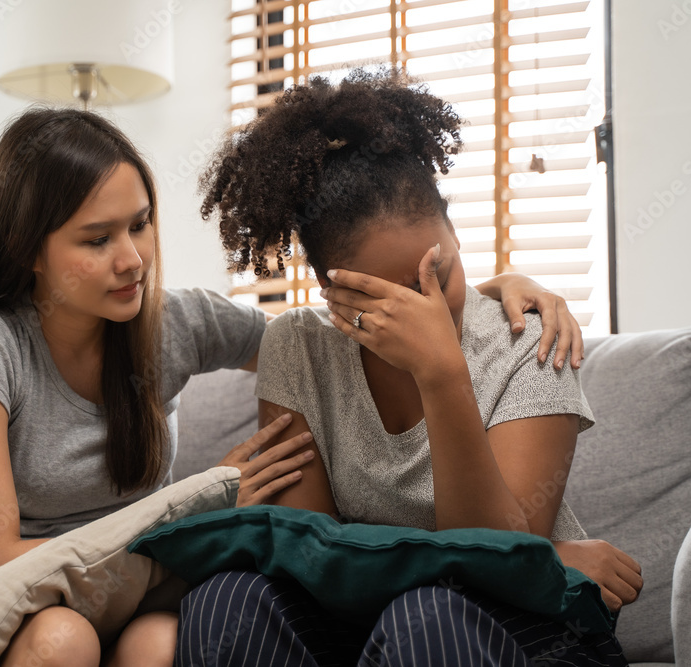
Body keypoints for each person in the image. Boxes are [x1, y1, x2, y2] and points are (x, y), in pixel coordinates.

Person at [0, 106, 591, 666]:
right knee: (152, 619)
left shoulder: (174, 322)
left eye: (141, 225)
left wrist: (471, 315)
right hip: (27, 595)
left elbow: (500, 557)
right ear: (30, 248)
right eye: (96, 238)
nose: (132, 258)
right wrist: (199, 505)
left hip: (149, 593)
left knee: (164, 640)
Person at [179, 68, 643, 666]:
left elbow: (501, 560)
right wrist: (545, 551)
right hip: (367, 621)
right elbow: (312, 555)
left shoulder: (530, 339)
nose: (424, 310)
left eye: (438, 273)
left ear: (453, 229)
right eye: (389, 294)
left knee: (427, 616)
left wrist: (442, 373)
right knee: (228, 600)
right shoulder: (297, 346)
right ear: (330, 289)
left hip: (528, 630)